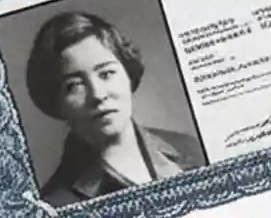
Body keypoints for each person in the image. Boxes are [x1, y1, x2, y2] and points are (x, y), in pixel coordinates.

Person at [25, 11, 204, 207]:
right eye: (74, 85)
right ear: (56, 102)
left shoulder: (190, 148)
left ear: (128, 73)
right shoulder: (57, 205)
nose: (98, 94)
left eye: (106, 73)